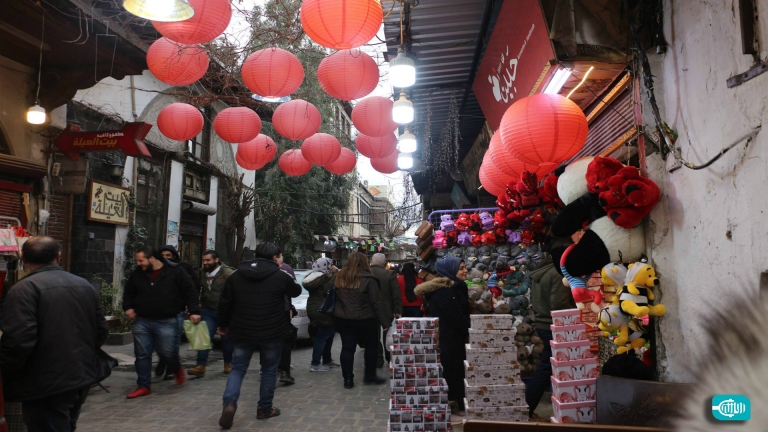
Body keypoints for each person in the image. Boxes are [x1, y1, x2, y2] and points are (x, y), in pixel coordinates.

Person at [0, 236, 108, 432]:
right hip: (80, 374)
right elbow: (100, 330)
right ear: (58, 257)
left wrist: (6, 370)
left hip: (45, 382)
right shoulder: (84, 285)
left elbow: (19, 340)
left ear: (23, 259)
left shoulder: (23, 290)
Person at [217, 243, 302, 429]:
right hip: (272, 331)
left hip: (242, 330)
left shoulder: (236, 275)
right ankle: (264, 408)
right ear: (276, 258)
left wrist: (222, 325)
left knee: (238, 368)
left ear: (255, 255)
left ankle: (229, 403)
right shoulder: (280, 275)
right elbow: (296, 290)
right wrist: (281, 270)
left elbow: (225, 303)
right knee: (269, 369)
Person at [122, 246, 202, 399]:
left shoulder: (176, 272)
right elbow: (129, 292)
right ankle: (143, 385)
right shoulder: (137, 274)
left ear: (152, 259)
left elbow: (190, 291)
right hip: (143, 320)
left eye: (141, 260)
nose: (139, 263)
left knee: (167, 353)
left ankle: (176, 367)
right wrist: (128, 307)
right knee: (142, 354)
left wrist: (195, 311)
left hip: (167, 320)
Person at [525, 240, 577, 418]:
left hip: (542, 322)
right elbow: (559, 303)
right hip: (553, 324)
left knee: (550, 366)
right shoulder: (557, 273)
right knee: (547, 367)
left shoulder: (541, 271)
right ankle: (528, 406)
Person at [414, 257, 470, 414]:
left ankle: (456, 401)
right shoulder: (445, 292)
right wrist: (470, 330)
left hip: (454, 337)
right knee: (453, 370)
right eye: (461, 268)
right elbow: (456, 317)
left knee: (456, 369)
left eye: (465, 267)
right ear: (450, 270)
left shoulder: (457, 287)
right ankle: (454, 403)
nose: (465, 271)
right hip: (448, 338)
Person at [333, 252, 390, 389]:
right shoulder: (369, 280)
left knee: (347, 348)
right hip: (366, 319)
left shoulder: (338, 278)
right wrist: (385, 323)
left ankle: (348, 379)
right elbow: (377, 302)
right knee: (371, 348)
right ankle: (370, 376)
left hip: (344, 319)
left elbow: (327, 295)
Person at [187, 250, 236, 377]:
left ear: (216, 260)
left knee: (226, 339)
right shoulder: (202, 273)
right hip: (208, 310)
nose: (205, 263)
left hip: (225, 312)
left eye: (208, 260)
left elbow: (235, 293)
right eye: (204, 260)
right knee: (204, 337)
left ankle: (228, 364)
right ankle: (200, 366)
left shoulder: (228, 273)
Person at [156, 245, 197, 381]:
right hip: (160, 311)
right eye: (163, 255)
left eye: (168, 255)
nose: (166, 258)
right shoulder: (155, 269)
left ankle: (170, 369)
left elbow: (193, 288)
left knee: (174, 341)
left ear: (174, 255)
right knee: (160, 340)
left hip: (178, 310)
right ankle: (163, 360)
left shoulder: (183, 268)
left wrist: (190, 307)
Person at [304, 257, 340, 372]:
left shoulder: (312, 278)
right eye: (330, 265)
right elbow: (335, 287)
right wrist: (336, 273)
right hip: (324, 310)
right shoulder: (326, 279)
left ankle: (327, 360)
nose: (332, 266)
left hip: (314, 308)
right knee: (322, 337)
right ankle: (315, 363)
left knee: (327, 335)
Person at [370, 253, 402, 368]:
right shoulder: (389, 274)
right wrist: (397, 309)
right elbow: (395, 293)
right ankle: (389, 358)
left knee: (373, 335)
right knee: (387, 335)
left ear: (371, 261)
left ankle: (378, 359)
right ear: (384, 263)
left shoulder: (366, 273)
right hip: (386, 310)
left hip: (370, 310)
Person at [277, 253, 298, 385]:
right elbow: (294, 290)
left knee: (266, 341)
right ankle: (284, 370)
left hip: (262, 312)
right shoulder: (285, 269)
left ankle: (266, 367)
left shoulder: (253, 270)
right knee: (285, 341)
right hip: (282, 310)